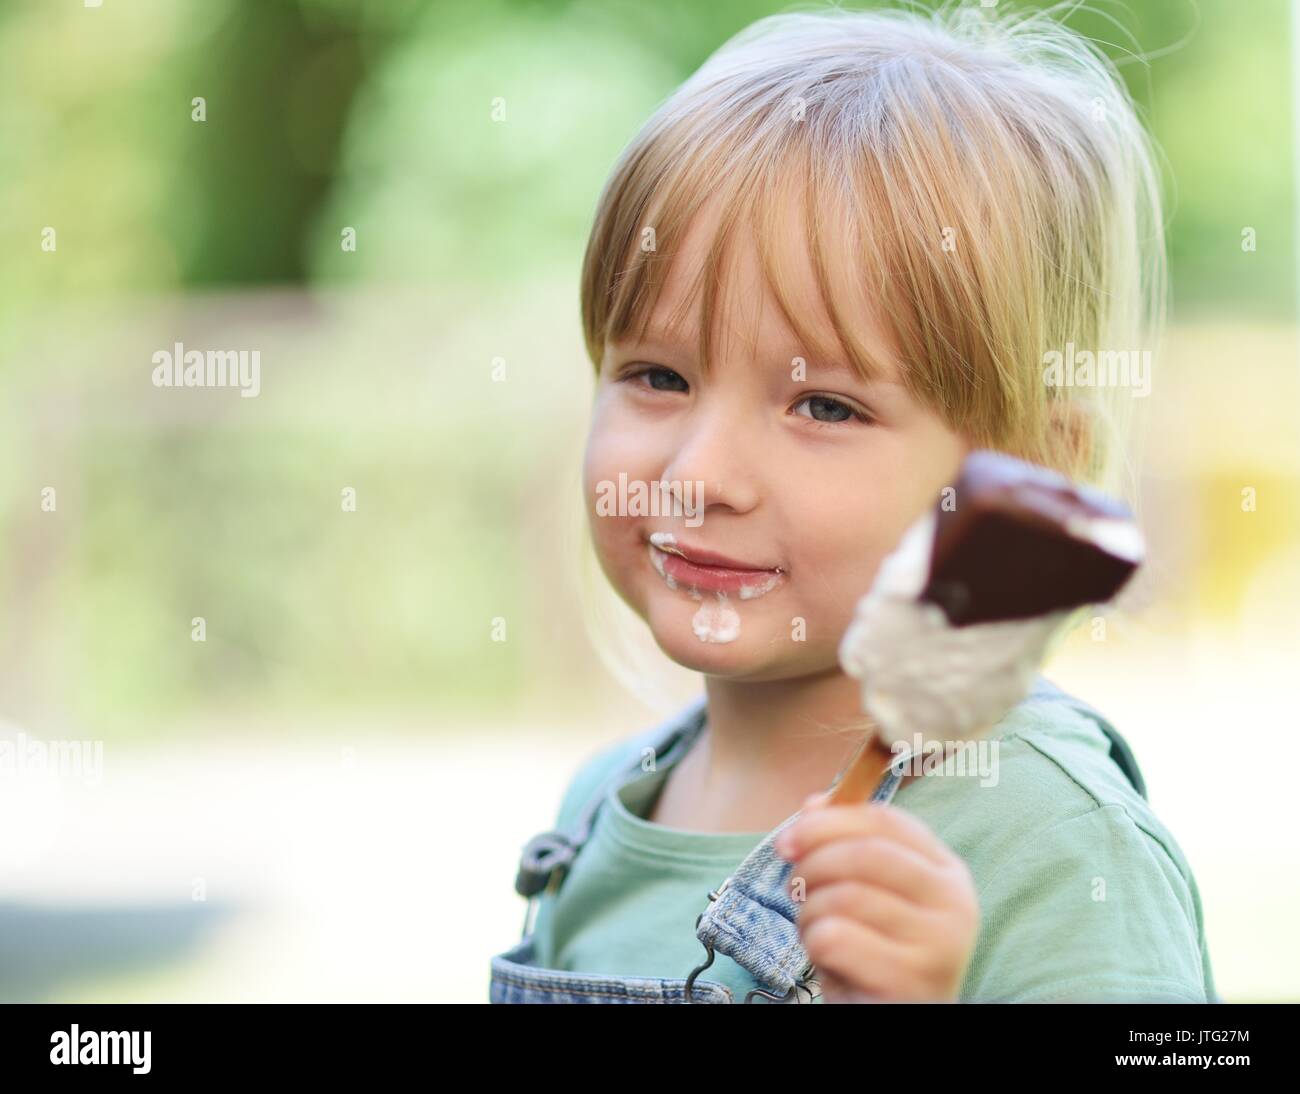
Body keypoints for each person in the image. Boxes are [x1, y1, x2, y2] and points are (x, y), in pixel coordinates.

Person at [490, 2, 1217, 1004]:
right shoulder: (599, 806)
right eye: (656, 375)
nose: (700, 472)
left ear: (1028, 475)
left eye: (823, 403)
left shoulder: (1049, 836)